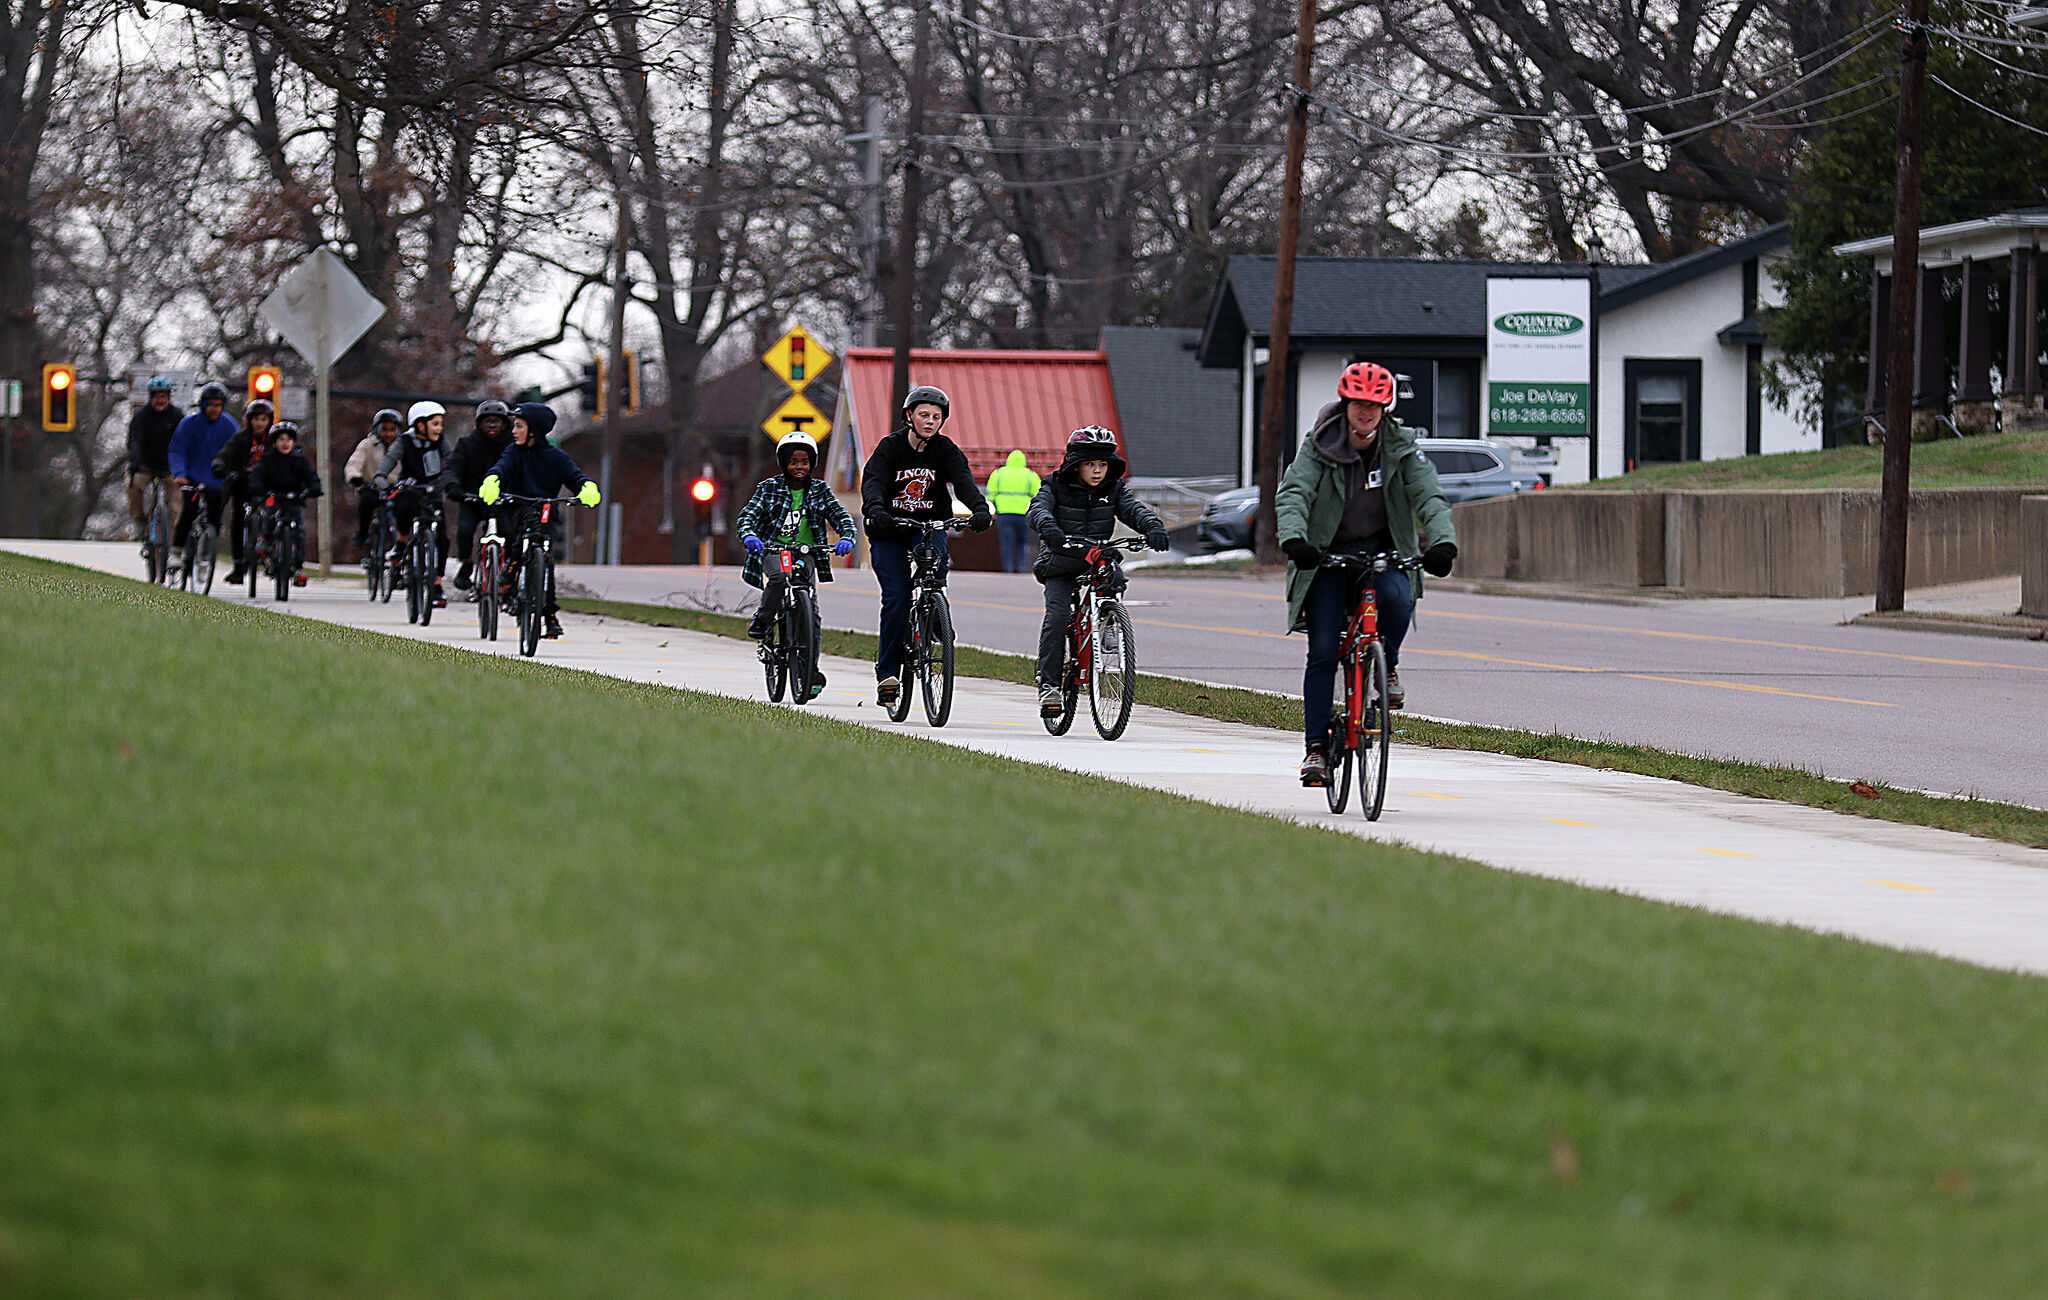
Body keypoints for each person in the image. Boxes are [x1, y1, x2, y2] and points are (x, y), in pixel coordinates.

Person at [1277, 361, 1458, 787]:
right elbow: (1295, 492)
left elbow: (1429, 495)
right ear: (1347, 404)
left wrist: (1442, 542)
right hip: (1326, 556)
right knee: (1323, 651)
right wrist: (1295, 540)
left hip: (1383, 551)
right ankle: (1316, 750)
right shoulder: (1321, 444)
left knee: (1398, 597)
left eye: (1375, 405)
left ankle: (1387, 664)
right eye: (1359, 403)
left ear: (1385, 407)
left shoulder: (1400, 446)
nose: (1366, 412)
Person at [859, 384, 991, 708]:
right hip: (889, 530)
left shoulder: (946, 450)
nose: (930, 421)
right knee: (897, 597)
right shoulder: (889, 448)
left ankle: (935, 616)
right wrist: (876, 510)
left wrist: (980, 508)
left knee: (936, 569)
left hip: (928, 526)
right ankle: (888, 674)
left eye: (936, 416)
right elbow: (873, 481)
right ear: (909, 416)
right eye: (924, 415)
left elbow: (963, 483)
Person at [1025, 426, 1170, 714]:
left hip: (1097, 557)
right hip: (1061, 559)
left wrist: (1153, 527)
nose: (1097, 471)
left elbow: (1133, 510)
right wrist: (1050, 528)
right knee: (1057, 617)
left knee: (1113, 574)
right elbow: (1037, 509)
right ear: (1076, 464)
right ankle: (1050, 686)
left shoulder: (1114, 489)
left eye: (1103, 464)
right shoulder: (1053, 485)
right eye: (1090, 464)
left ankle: (1109, 622)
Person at [738, 432, 858, 692]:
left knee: (811, 613)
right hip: (773, 549)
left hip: (806, 552)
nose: (799, 467)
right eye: (793, 461)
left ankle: (809, 671)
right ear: (784, 463)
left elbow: (841, 516)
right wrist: (749, 535)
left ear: (812, 464)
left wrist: (847, 536)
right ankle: (763, 619)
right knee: (779, 579)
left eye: (804, 462)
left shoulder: (820, 490)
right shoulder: (768, 488)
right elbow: (747, 515)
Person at [478, 401, 601, 640]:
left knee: (547, 561)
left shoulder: (557, 457)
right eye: (514, 426)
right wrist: (492, 481)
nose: (513, 431)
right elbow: (501, 468)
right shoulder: (513, 452)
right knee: (518, 531)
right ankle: (512, 565)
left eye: (519, 426)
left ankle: (550, 615)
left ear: (533, 430)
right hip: (517, 508)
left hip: (546, 514)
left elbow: (575, 477)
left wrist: (586, 488)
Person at [374, 400, 455, 608]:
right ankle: (401, 543)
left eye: (440, 424)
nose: (440, 428)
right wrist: (381, 477)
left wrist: (450, 478)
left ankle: (436, 584)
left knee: (442, 539)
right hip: (410, 488)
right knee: (404, 508)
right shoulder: (404, 441)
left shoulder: (441, 441)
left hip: (433, 493)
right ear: (420, 425)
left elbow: (452, 461)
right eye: (435, 424)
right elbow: (389, 461)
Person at [446, 398, 516, 592]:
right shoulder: (467, 444)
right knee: (465, 530)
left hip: (503, 500)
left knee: (509, 533)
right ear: (479, 423)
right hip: (472, 498)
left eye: (497, 421)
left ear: (505, 424)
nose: (492, 425)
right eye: (487, 421)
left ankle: (509, 573)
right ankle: (466, 563)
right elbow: (453, 468)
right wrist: (453, 487)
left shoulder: (513, 446)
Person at [167, 381, 238, 563]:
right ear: (203, 404)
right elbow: (177, 450)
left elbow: (237, 451)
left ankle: (207, 551)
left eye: (219, 405)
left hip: (217, 479)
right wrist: (180, 473)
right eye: (211, 405)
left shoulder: (229, 426)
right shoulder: (189, 424)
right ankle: (176, 550)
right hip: (192, 476)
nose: (215, 409)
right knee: (188, 512)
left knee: (215, 516)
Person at [246, 421, 324, 585]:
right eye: (281, 439)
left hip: (294, 498)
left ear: (294, 442)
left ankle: (298, 566)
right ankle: (265, 540)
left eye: (288, 440)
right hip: (273, 496)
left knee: (299, 531)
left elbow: (311, 477)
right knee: (268, 515)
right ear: (274, 443)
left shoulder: (300, 460)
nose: (285, 443)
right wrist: (257, 488)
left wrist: (314, 488)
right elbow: (257, 475)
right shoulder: (268, 459)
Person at [211, 396, 275, 584]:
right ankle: (238, 565)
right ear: (249, 420)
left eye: (264, 419)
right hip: (243, 483)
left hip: (267, 484)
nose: (259, 423)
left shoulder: (274, 439)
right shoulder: (240, 438)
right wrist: (220, 466)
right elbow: (224, 454)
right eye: (256, 419)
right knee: (238, 520)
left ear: (269, 421)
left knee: (275, 512)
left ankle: (272, 548)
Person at [126, 376, 183, 547]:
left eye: (164, 396)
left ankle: (171, 535)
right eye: (157, 396)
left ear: (168, 398)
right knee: (132, 484)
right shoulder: (141, 416)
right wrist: (135, 462)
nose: (160, 400)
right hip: (145, 465)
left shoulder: (177, 416)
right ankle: (140, 523)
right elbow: (134, 441)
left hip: (169, 467)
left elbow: (183, 441)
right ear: (151, 398)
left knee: (176, 502)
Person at [345, 408, 404, 554]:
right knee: (366, 502)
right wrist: (355, 477)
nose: (388, 434)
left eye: (392, 430)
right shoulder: (367, 445)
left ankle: (402, 540)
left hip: (396, 487)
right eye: (384, 429)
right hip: (372, 487)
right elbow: (354, 462)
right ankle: (363, 534)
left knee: (404, 509)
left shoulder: (402, 446)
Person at [984, 448, 1041, 573]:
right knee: (1022, 542)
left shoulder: (998, 474)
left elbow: (991, 494)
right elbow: (1038, 496)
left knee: (1006, 543)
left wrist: (997, 506)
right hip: (1023, 515)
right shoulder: (1031, 475)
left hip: (1004, 514)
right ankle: (1021, 567)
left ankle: (1008, 568)